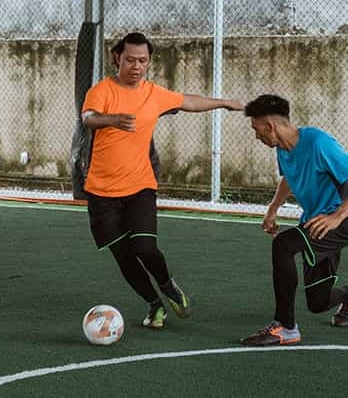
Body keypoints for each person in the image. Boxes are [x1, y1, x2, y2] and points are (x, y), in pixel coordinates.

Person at [81, 32, 244, 329]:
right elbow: (88, 117)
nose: (137, 66)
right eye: (130, 59)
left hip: (140, 185)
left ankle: (168, 286)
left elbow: (187, 102)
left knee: (144, 248)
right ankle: (154, 304)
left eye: (143, 60)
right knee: (124, 256)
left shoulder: (154, 94)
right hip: (101, 192)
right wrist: (112, 120)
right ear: (118, 57)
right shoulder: (102, 90)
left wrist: (223, 102)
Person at [240, 94, 348, 347]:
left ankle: (286, 327)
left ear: (270, 125)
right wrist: (273, 208)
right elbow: (289, 178)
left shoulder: (318, 143)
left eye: (257, 130)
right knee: (318, 301)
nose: (257, 137)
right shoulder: (283, 149)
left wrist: (337, 216)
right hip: (317, 222)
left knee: (284, 244)